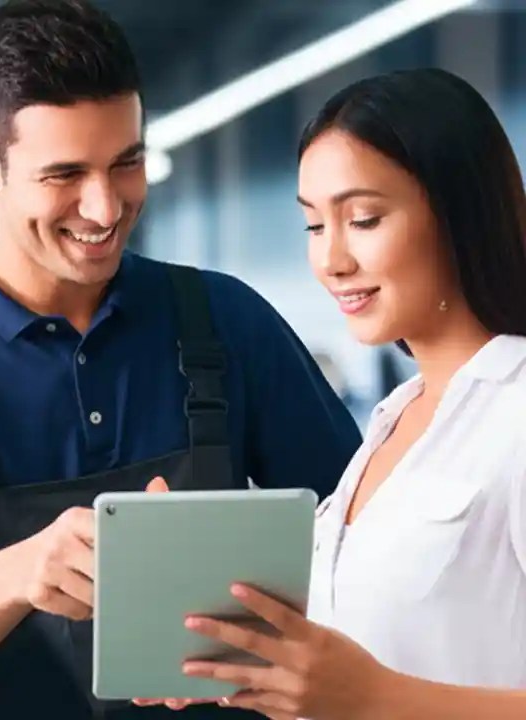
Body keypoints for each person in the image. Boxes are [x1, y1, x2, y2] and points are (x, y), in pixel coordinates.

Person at [0, 1, 362, 718]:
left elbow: (360, 552)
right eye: (65, 174)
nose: (105, 207)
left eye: (128, 162)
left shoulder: (227, 325)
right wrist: (20, 573)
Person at [159, 68, 526, 719]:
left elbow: (371, 691)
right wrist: (240, 657)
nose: (331, 260)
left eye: (362, 219)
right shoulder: (393, 421)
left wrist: (376, 699)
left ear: (458, 212)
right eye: (312, 226)